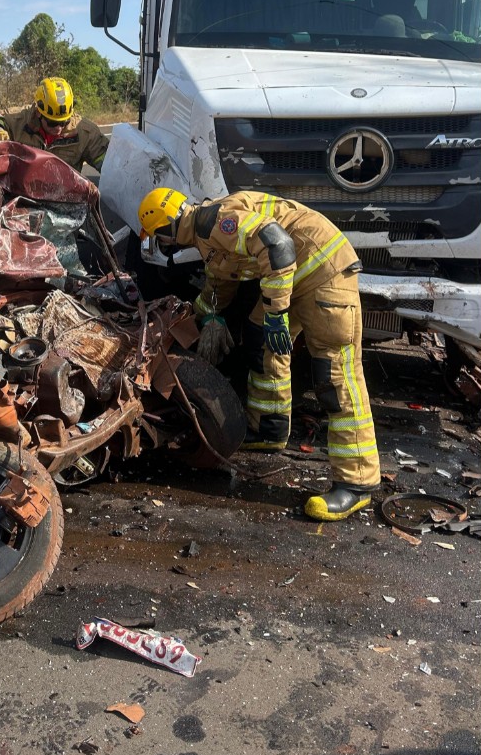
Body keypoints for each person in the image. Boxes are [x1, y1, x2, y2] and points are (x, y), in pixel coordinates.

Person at [137, 186, 376, 521]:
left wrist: (277, 313)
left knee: (334, 374)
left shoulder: (217, 221)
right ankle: (269, 429)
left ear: (164, 230)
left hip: (323, 271)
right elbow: (219, 282)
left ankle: (357, 482)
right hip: (295, 275)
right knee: (260, 338)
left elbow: (278, 244)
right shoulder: (207, 235)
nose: (163, 245)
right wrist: (199, 317)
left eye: (159, 238)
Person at [0, 77, 109, 171]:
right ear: (38, 112)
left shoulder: (86, 133)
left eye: (64, 122)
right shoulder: (17, 120)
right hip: (24, 198)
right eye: (52, 123)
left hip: (66, 200)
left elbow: (110, 166)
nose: (58, 128)